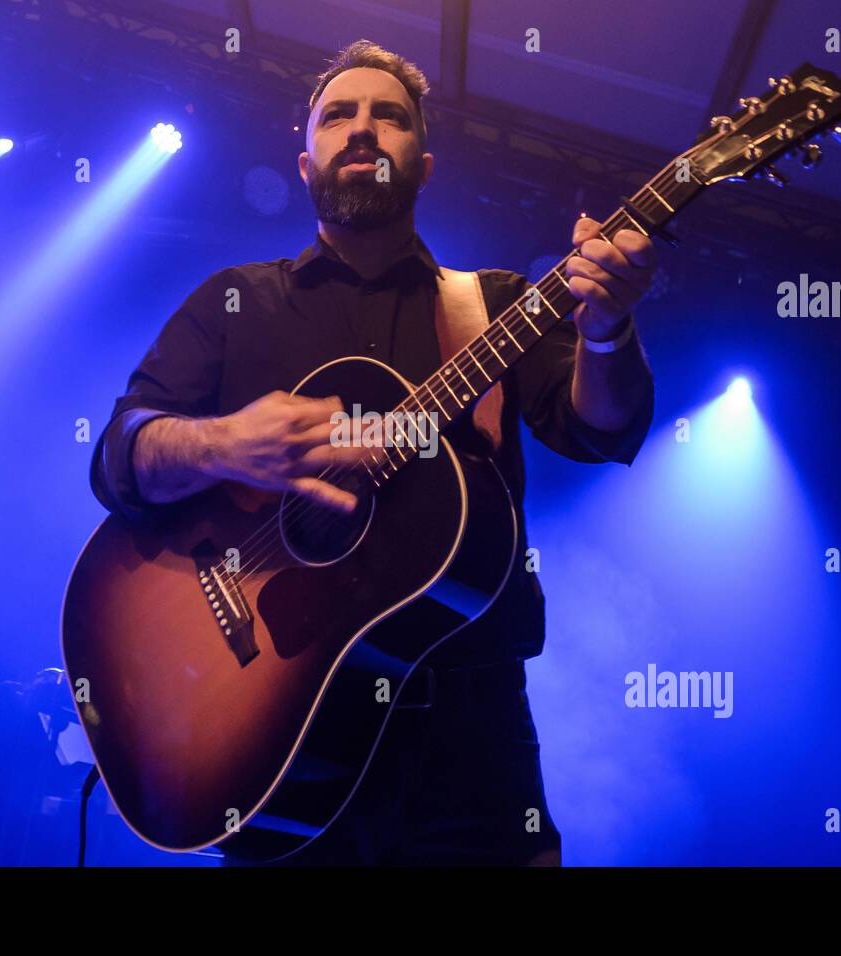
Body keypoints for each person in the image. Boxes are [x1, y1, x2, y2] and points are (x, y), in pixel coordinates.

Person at [90, 39, 656, 866]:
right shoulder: (234, 303)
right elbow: (118, 459)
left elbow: (602, 430)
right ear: (306, 156)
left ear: (423, 165)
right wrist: (224, 444)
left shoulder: (492, 307)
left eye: (388, 117)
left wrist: (606, 329)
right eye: (338, 117)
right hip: (276, 738)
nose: (362, 130)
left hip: (472, 743)